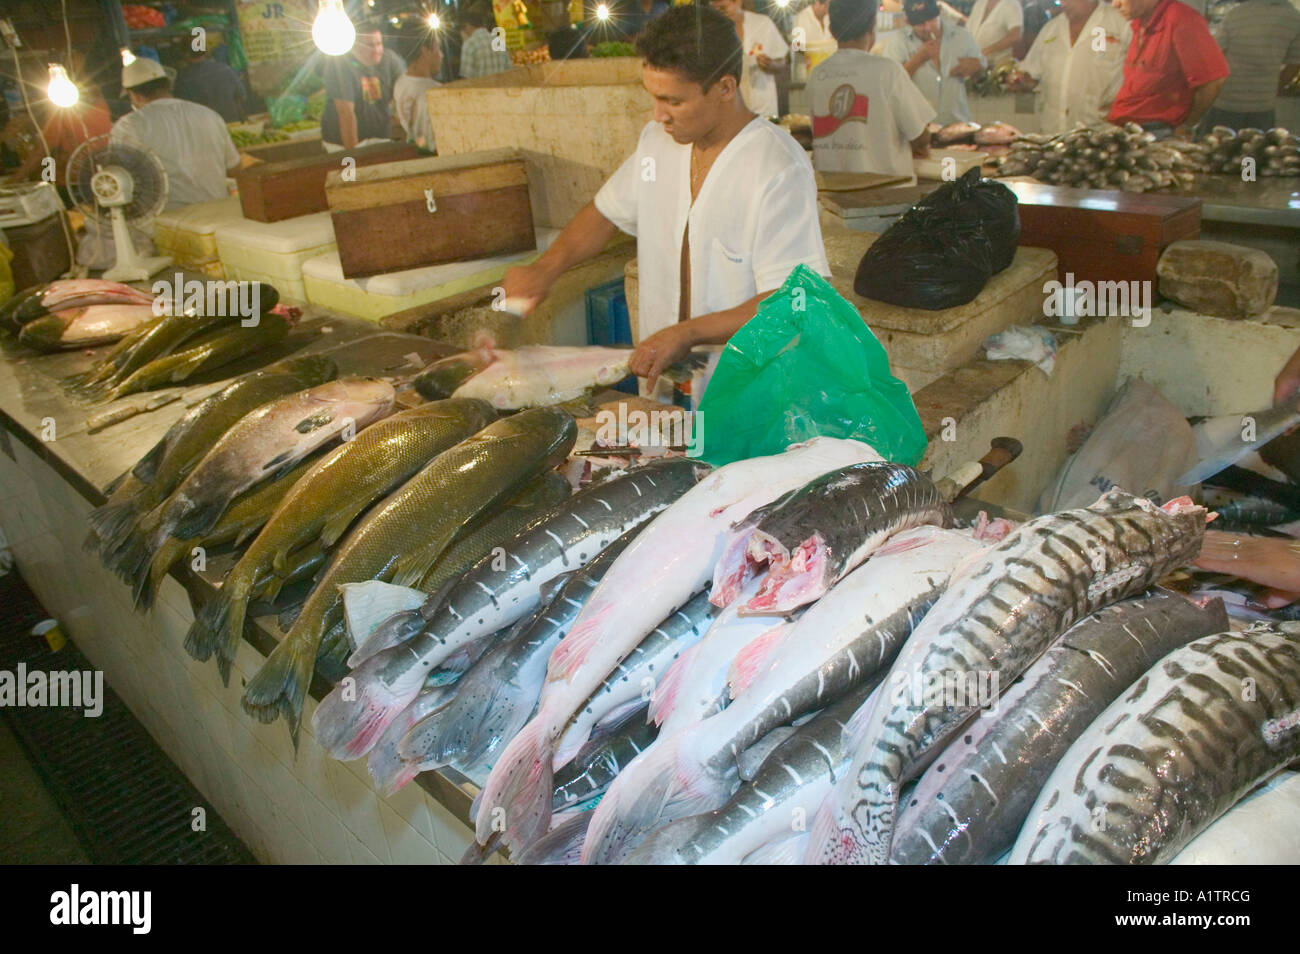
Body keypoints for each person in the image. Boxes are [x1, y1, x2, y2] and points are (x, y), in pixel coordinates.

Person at [498, 5, 828, 399]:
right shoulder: (657, 146)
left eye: (673, 101)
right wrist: (545, 270)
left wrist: (688, 333)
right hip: (664, 385)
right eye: (653, 98)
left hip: (743, 391)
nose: (659, 115)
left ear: (725, 88)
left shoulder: (775, 167)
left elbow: (793, 297)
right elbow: (606, 213)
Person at [808, 0, 934, 180]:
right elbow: (920, 137)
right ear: (871, 26)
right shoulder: (888, 71)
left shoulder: (816, 75)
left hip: (833, 197)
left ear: (832, 30)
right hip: (885, 197)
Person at [110, 56, 239, 207]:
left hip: (169, 222)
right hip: (219, 213)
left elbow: (122, 181)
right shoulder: (208, 114)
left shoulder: (128, 125)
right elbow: (234, 166)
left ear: (134, 95)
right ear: (167, 85)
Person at [1107, 0, 1228, 139]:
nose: (1115, 4)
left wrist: (1188, 125)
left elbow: (1214, 80)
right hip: (1127, 128)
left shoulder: (1181, 19)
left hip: (1157, 133)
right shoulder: (1139, 21)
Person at [1012, 0, 1129, 134]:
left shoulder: (1120, 24)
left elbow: (1142, 75)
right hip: (1054, 134)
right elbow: (1031, 74)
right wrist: (1020, 80)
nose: (1063, 3)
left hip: (1104, 134)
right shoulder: (1051, 29)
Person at [879, 0, 985, 125]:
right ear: (908, 22)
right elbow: (889, 85)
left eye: (931, 19)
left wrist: (977, 69)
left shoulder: (962, 36)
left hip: (958, 124)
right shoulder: (898, 43)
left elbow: (981, 76)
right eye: (920, 23)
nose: (928, 27)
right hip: (919, 129)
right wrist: (918, 59)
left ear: (939, 12)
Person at [1204, 0, 1300, 132]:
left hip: (1228, 100)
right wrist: (1275, 88)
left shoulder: (1237, 13)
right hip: (1263, 105)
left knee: (1217, 147)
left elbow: (1214, 53)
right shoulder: (1294, 17)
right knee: (1256, 148)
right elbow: (1294, 65)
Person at [14, 86, 113, 201]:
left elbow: (40, 151)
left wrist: (14, 181)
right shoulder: (104, 106)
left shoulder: (63, 112)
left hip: (80, 184)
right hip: (102, 180)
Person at [321, 20, 403, 150]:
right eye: (370, 45)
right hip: (341, 144)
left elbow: (404, 92)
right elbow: (346, 113)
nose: (377, 50)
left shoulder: (390, 60)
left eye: (379, 44)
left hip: (380, 137)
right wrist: (354, 157)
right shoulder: (339, 65)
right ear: (355, 47)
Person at [709, 0, 789, 120]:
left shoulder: (762, 24)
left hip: (763, 107)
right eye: (715, 9)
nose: (720, 13)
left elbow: (782, 62)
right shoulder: (711, 32)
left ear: (738, 2)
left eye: (723, 8)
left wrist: (771, 65)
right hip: (729, 110)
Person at [393, 21, 442, 151]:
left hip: (414, 153)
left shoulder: (401, 83)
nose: (441, 55)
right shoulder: (435, 92)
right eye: (438, 48)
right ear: (425, 51)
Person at [173, 46, 247, 123]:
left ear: (186, 54)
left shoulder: (183, 78)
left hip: (205, 126)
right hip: (232, 121)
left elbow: (182, 109)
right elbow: (241, 95)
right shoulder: (225, 68)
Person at [959, 0, 1023, 64]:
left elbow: (1015, 36)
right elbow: (969, 28)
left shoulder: (1011, 4)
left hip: (996, 66)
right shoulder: (980, 3)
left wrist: (985, 52)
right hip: (974, 65)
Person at [459, 5, 513, 79]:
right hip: (501, 89)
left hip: (480, 90)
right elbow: (509, 71)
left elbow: (466, 77)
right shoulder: (499, 41)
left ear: (468, 25)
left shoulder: (470, 44)